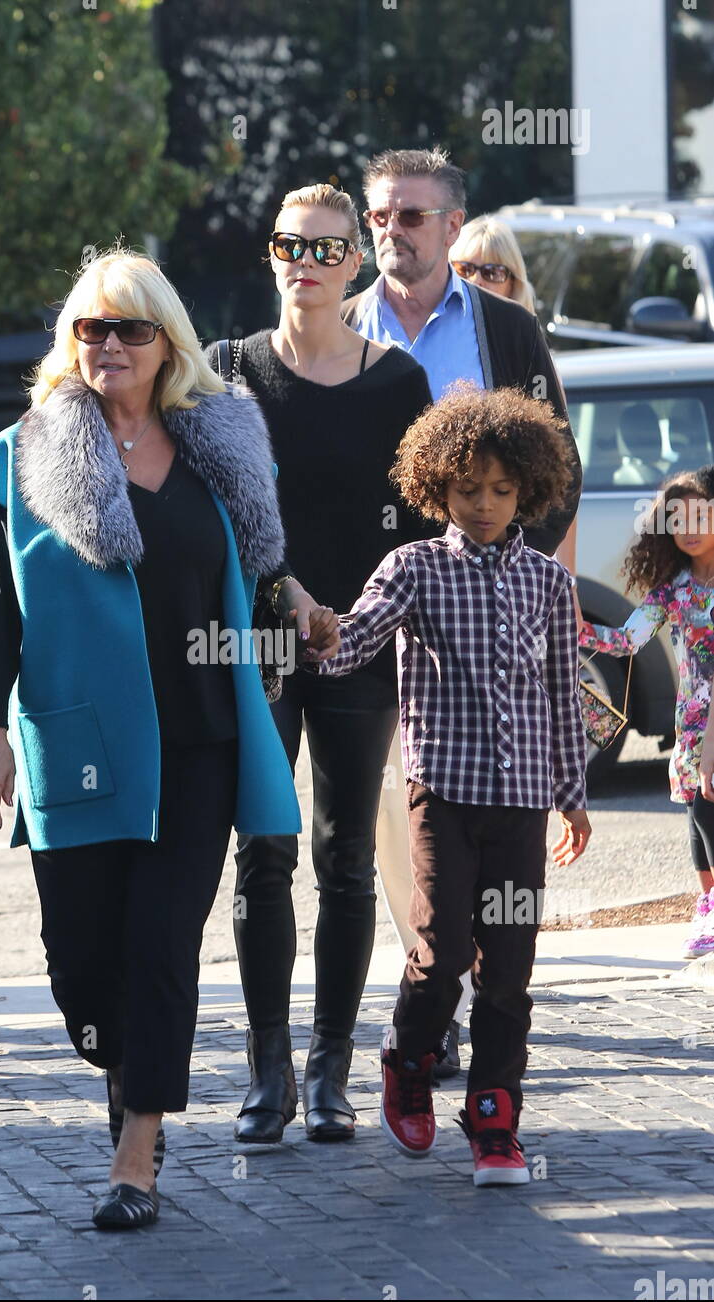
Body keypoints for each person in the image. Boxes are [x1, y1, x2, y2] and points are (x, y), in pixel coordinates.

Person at [0, 248, 337, 1230]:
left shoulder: (221, 449)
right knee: (85, 965)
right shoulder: (25, 454)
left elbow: (257, 565)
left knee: (163, 945)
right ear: (70, 341)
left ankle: (136, 1157)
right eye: (91, 327)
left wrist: (295, 599)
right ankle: (126, 1073)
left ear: (167, 341)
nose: (111, 344)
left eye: (131, 327)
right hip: (79, 747)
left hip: (200, 743)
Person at [308, 384, 591, 1185]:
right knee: (440, 953)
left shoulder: (545, 583)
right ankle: (407, 1055)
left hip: (523, 799)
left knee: (509, 966)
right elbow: (355, 638)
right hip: (443, 793)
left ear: (527, 491)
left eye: (502, 491)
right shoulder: (414, 567)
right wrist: (314, 631)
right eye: (468, 489)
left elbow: (560, 694)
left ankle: (495, 1118)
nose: (485, 505)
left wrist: (571, 794)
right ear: (438, 486)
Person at [342, 146, 584, 1079]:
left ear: (451, 225)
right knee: (378, 828)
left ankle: (469, 1028)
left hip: (485, 619)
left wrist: (536, 582)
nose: (391, 231)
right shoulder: (340, 322)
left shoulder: (504, 329)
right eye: (379, 216)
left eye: (410, 215)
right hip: (376, 609)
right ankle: (410, 1014)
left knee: (472, 832)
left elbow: (553, 462)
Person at [204, 182, 437, 1144]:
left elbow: (422, 526)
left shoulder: (398, 384)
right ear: (271, 257)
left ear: (354, 263)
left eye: (326, 250)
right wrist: (283, 598)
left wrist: (369, 619)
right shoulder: (226, 372)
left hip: (360, 648)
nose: (305, 265)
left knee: (344, 863)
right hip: (256, 644)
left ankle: (330, 1070)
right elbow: (215, 513)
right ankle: (267, 1074)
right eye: (289, 247)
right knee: (262, 855)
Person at [578, 469, 714, 959]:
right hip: (693, 720)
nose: (691, 527)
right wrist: (575, 631)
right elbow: (627, 639)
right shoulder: (673, 590)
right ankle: (707, 908)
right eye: (678, 520)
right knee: (695, 820)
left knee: (707, 808)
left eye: (701, 514)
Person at [449, 215, 537, 313]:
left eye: (492, 273)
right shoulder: (432, 325)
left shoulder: (526, 327)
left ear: (512, 285)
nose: (476, 281)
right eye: (463, 269)